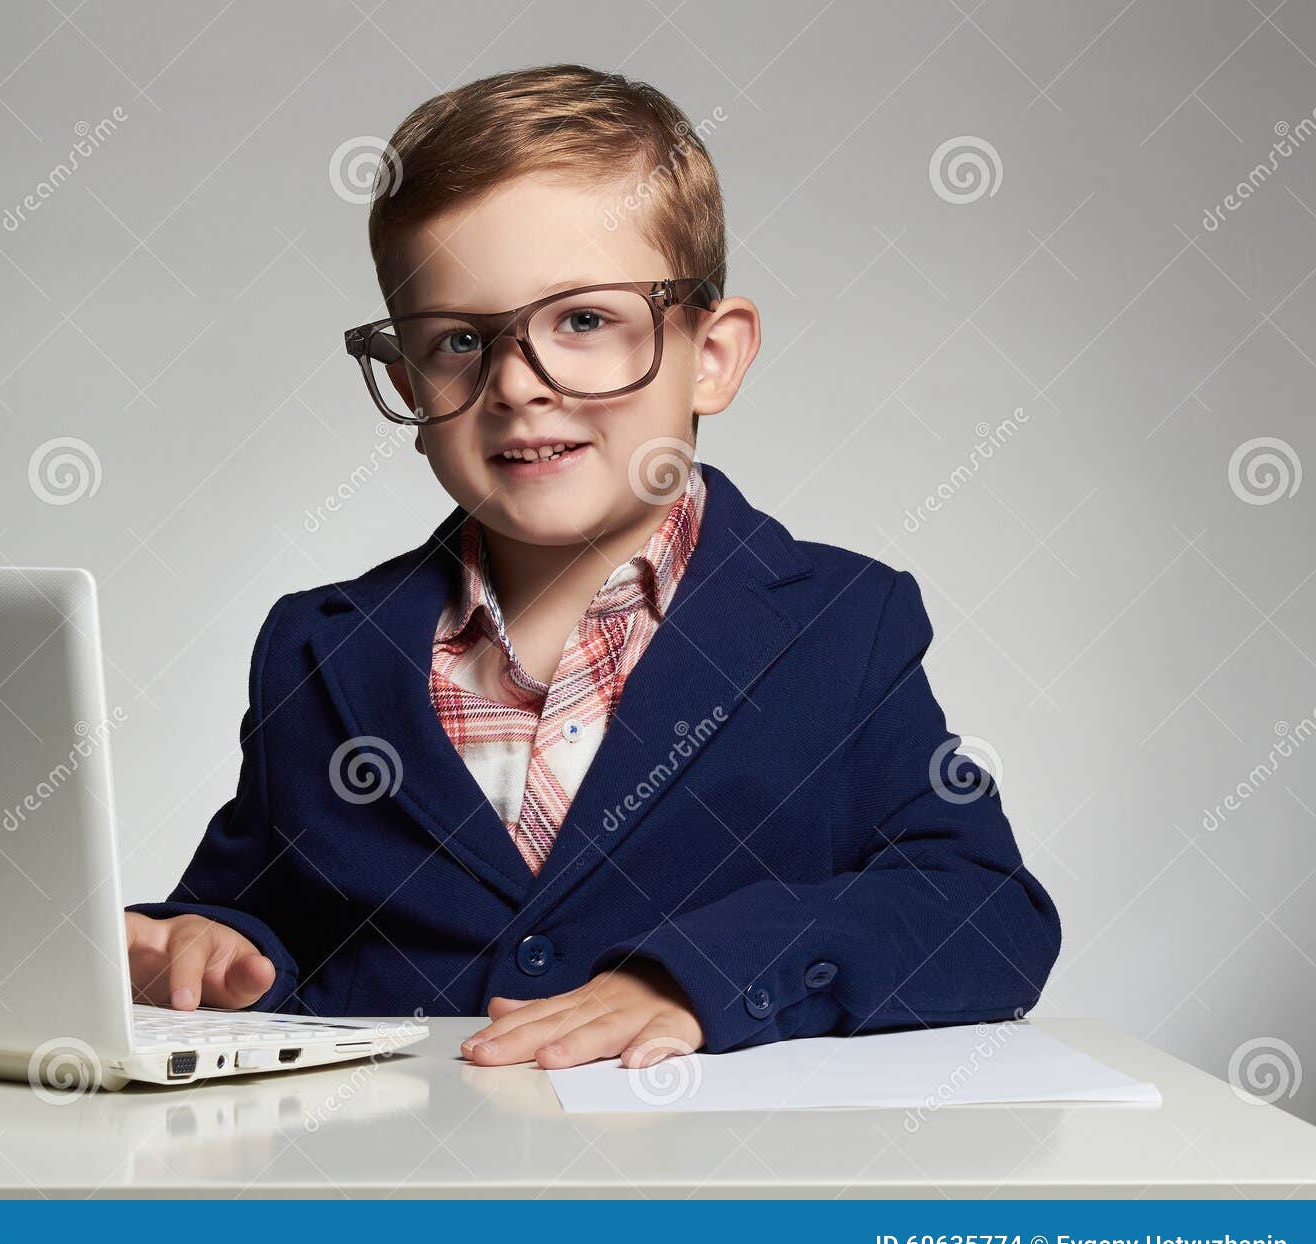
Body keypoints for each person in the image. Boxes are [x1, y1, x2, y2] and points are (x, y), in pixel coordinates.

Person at [125, 63, 1060, 1071]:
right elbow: (251, 920)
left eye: (582, 321)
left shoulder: (837, 624)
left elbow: (979, 910)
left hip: (695, 1188)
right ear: (405, 376)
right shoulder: (318, 651)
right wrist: (210, 947)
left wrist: (694, 975)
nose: (518, 386)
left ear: (713, 353)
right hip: (399, 1188)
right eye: (458, 340)